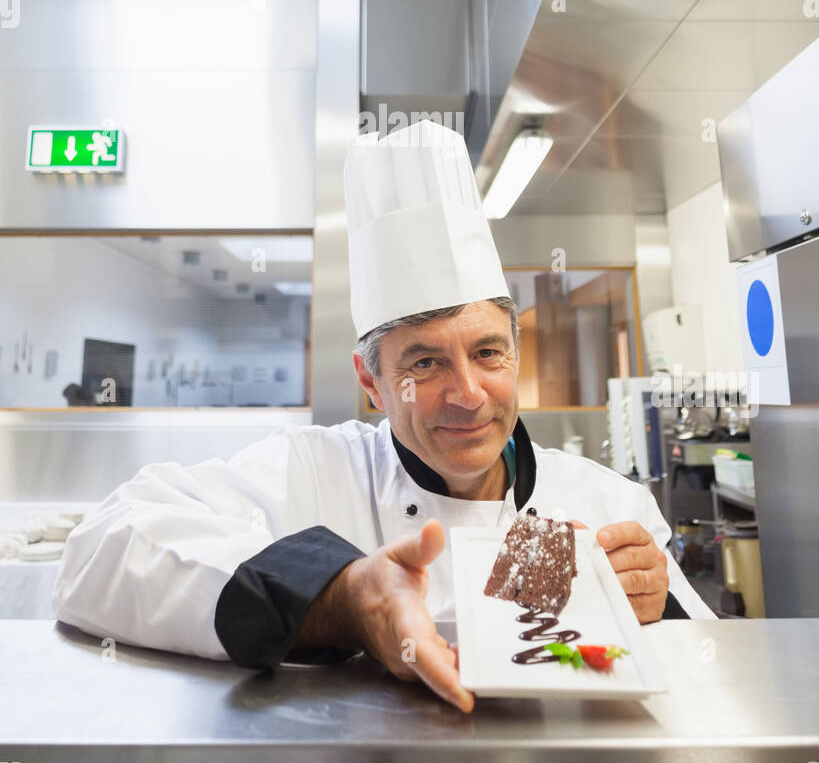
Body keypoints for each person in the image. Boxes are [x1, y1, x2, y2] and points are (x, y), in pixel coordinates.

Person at [54, 120, 715, 713]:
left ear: (513, 354)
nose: (467, 393)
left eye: (487, 352)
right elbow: (101, 550)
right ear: (369, 379)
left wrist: (652, 613)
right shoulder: (313, 472)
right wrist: (340, 598)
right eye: (424, 363)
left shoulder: (598, 503)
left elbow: (705, 677)